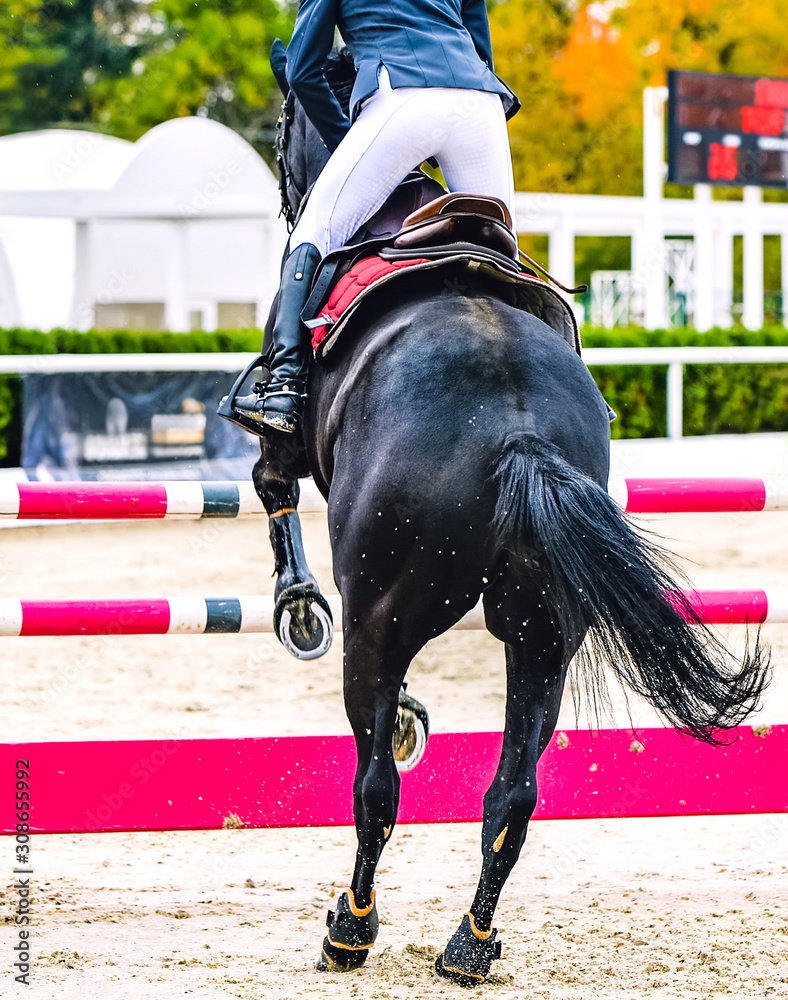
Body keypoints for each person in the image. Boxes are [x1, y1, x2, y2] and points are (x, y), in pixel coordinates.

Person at [235, 0, 520, 433]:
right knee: (500, 246)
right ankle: (565, 365)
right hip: (479, 101)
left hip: (402, 95)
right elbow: (480, 48)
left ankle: (284, 387)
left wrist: (346, 141)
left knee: (315, 230)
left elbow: (302, 71)